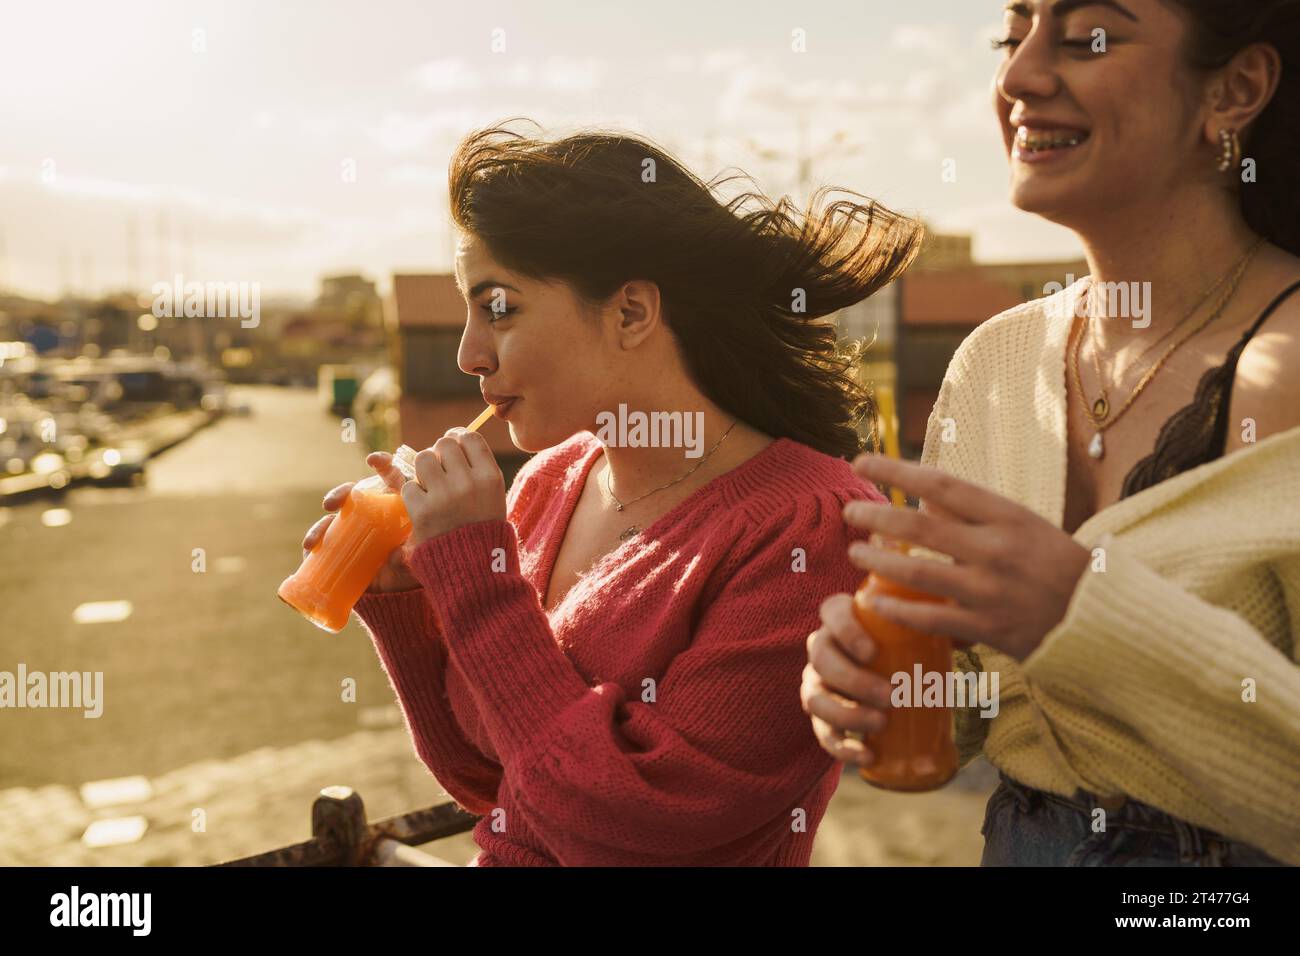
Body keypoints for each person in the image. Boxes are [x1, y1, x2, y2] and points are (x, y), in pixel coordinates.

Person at [302, 119, 923, 865]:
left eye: (499, 308)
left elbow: (637, 830)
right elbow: (495, 780)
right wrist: (407, 605)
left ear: (631, 312)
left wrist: (478, 580)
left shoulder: (811, 529)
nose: (469, 353)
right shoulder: (551, 482)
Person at [804, 0, 1300, 865]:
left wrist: (1083, 617)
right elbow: (979, 707)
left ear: (1237, 88)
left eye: (1088, 37)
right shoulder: (995, 361)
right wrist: (887, 683)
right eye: (1013, 34)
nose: (1018, 77)